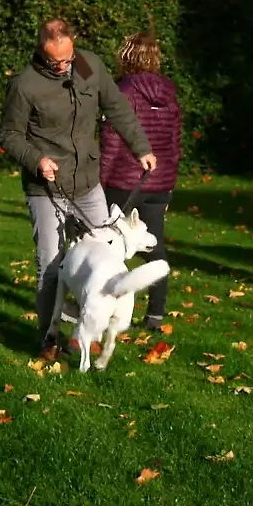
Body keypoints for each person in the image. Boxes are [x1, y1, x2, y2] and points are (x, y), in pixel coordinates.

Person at [0, 18, 157, 357]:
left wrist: (140, 147)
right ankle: (48, 339)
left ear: (74, 46)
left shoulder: (86, 64)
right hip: (46, 187)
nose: (63, 67)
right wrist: (37, 159)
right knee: (52, 264)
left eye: (67, 58)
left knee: (106, 257)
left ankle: (83, 332)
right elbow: (9, 135)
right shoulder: (25, 84)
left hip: (86, 182)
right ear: (41, 51)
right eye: (55, 61)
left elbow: (117, 107)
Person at [100, 30, 181, 331]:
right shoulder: (169, 94)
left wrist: (100, 181)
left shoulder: (122, 90)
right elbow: (173, 143)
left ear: (126, 56)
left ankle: (103, 308)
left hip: (124, 181)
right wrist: (169, 184)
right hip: (158, 184)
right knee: (155, 250)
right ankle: (155, 315)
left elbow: (112, 142)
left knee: (106, 247)